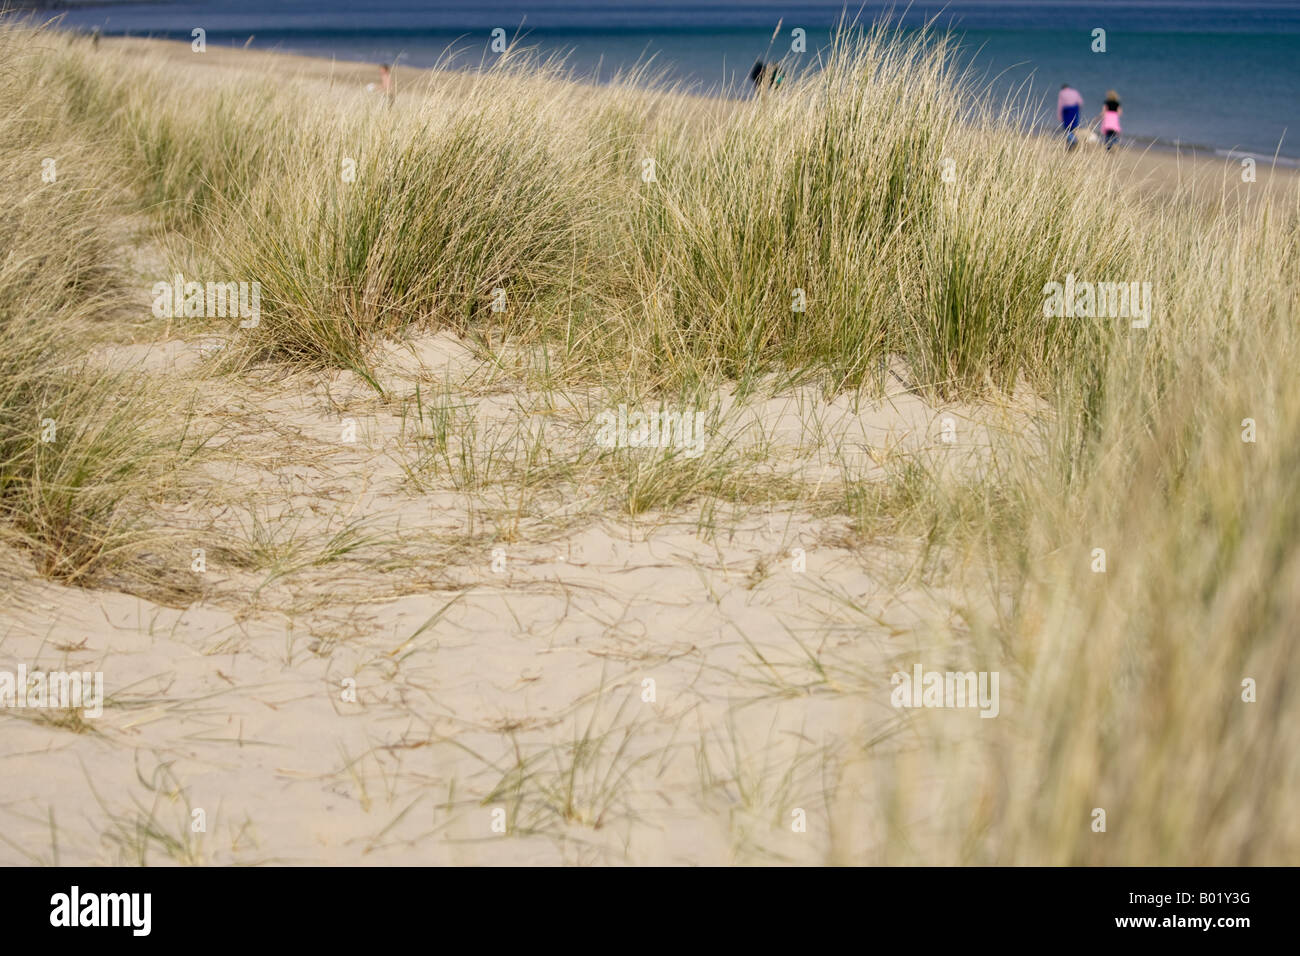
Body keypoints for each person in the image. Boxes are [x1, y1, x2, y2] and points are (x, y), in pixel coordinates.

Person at [1058, 83, 1083, 150]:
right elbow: (1080, 102)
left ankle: (1073, 141)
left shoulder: (1062, 93)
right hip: (1075, 110)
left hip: (1066, 111)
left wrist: (1060, 116)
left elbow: (1060, 105)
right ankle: (1072, 141)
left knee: (1067, 128)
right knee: (1073, 128)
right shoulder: (1075, 92)